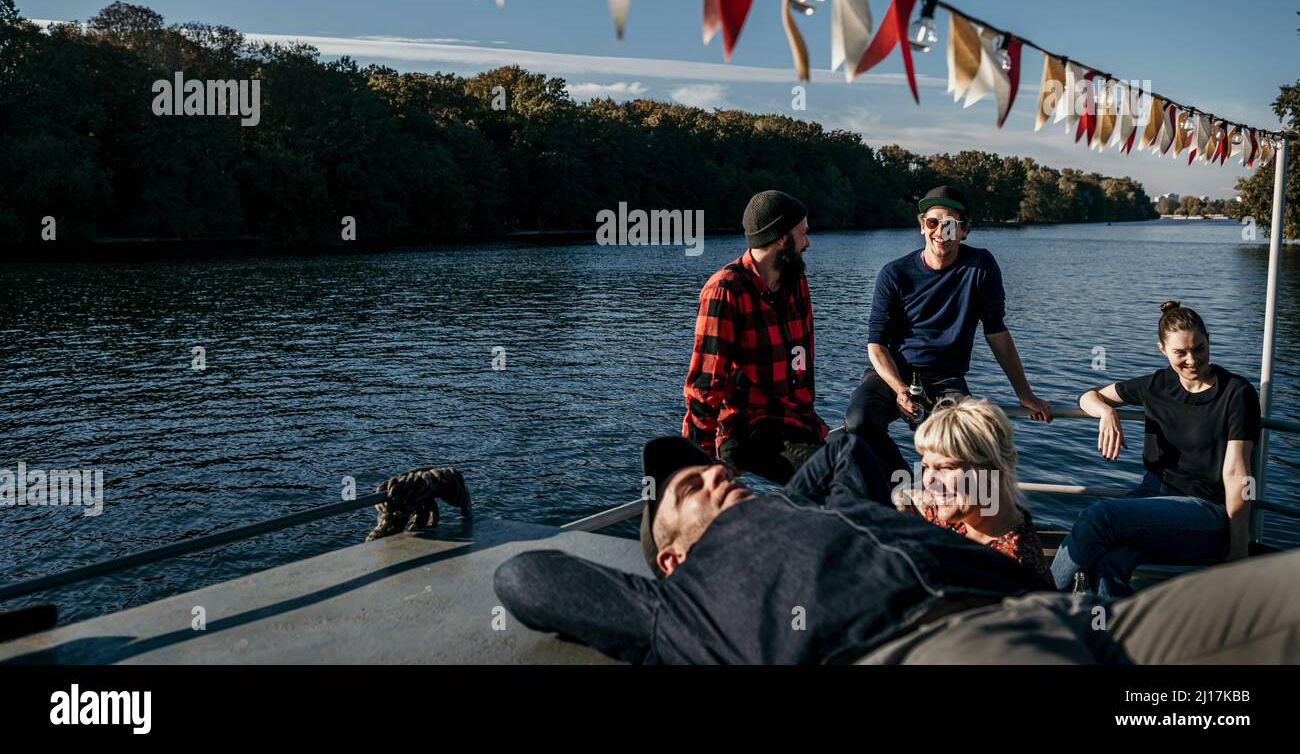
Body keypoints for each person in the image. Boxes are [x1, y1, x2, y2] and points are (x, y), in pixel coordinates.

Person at [493, 432, 1300, 664]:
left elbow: (854, 441)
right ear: (669, 556)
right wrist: (658, 599)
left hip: (1090, 628)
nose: (713, 474)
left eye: (712, 467)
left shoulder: (831, 509)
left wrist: (794, 497)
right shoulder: (675, 607)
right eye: (689, 490)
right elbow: (524, 574)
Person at [1051, 301, 1260, 598]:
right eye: (1180, 353)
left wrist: (1239, 549)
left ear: (1209, 341)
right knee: (1108, 562)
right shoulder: (1156, 385)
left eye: (1199, 348)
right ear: (1162, 350)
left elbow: (1238, 472)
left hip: (1205, 514)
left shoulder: (1236, 393)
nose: (1192, 360)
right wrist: (1107, 413)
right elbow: (1088, 396)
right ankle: (1108, 635)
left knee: (1101, 516)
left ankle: (1034, 604)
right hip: (1152, 501)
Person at [845, 184, 1052, 482]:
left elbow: (997, 334)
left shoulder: (980, 267)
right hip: (892, 373)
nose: (940, 230)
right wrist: (900, 390)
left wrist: (1024, 392)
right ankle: (906, 491)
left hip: (945, 378)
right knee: (858, 424)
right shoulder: (894, 274)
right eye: (932, 222)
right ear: (921, 227)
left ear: (964, 230)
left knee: (969, 446)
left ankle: (962, 516)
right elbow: (877, 345)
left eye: (950, 223)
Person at [680, 190, 827, 485]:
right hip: (748, 429)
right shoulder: (725, 289)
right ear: (781, 238)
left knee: (862, 462)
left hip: (796, 424)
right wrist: (699, 461)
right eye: (803, 234)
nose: (808, 243)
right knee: (832, 478)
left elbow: (802, 368)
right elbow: (705, 385)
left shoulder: (795, 282)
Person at [899, 397, 1052, 586]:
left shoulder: (1011, 570)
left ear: (992, 471)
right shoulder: (964, 520)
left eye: (945, 468)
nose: (928, 480)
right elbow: (909, 497)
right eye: (926, 467)